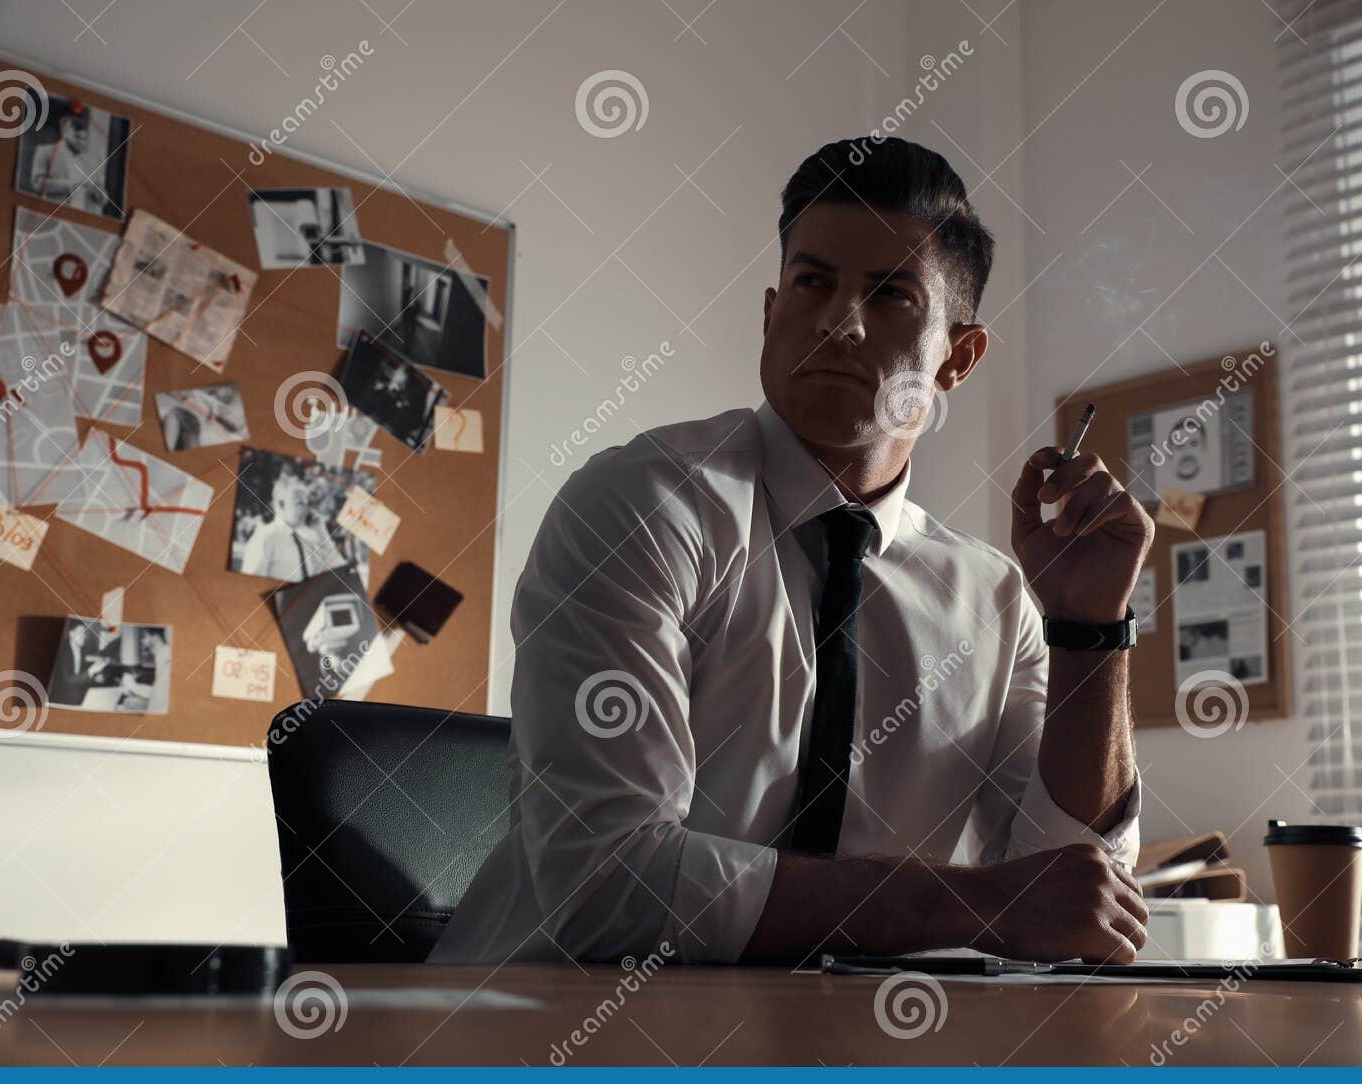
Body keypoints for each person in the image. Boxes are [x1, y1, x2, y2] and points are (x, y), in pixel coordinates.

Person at [434, 137, 1154, 968]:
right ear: (772, 312)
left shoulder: (992, 597)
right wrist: (981, 903)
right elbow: (610, 887)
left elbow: (1077, 894)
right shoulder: (644, 505)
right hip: (541, 1053)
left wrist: (1090, 631)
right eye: (814, 283)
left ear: (958, 356)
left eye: (891, 296)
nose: (840, 322)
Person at [240, 471, 343, 581]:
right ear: (281, 504)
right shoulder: (265, 538)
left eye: (306, 502)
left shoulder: (308, 540)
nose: (306, 509)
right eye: (299, 502)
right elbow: (249, 586)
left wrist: (323, 534)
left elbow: (340, 573)